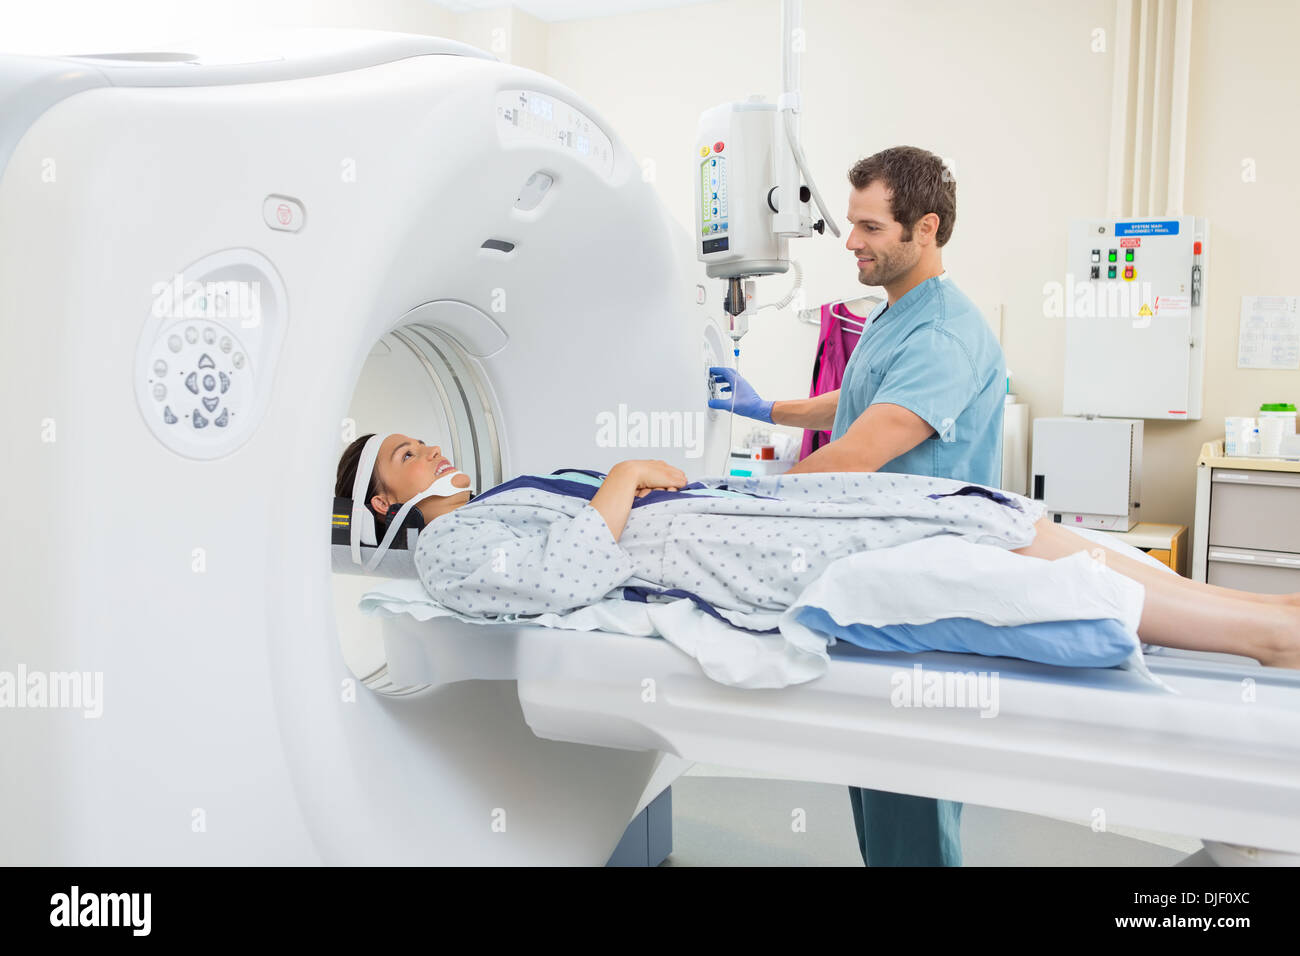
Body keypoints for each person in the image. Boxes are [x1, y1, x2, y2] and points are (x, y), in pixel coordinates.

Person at [336, 433, 1300, 678]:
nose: (435, 452)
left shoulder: (505, 495)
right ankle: (1260, 635)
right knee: (962, 534)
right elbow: (560, 581)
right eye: (409, 455)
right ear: (387, 501)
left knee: (965, 505)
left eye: (425, 439)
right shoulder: (450, 548)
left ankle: (1262, 617)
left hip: (746, 517)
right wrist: (622, 482)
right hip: (739, 560)